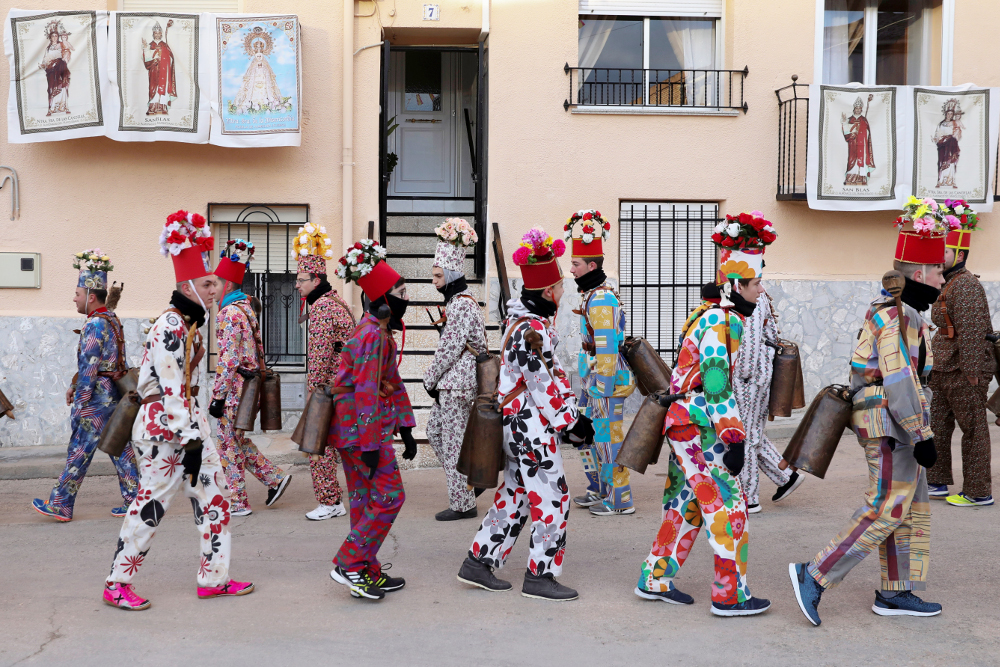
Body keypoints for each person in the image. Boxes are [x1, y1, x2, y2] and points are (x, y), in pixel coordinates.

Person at [789, 206, 947, 626]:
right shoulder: (897, 315)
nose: (942, 279)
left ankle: (895, 593)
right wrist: (921, 432)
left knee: (906, 508)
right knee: (886, 507)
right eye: (937, 271)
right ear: (918, 273)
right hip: (891, 424)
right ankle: (816, 573)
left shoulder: (904, 312)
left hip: (891, 422)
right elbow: (898, 377)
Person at [104, 210, 253, 611]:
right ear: (186, 286)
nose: (215, 289)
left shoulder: (190, 322)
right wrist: (189, 439)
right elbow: (172, 391)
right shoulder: (170, 325)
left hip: (189, 430)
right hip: (163, 433)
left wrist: (198, 436)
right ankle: (117, 582)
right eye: (207, 283)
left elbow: (186, 390)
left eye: (216, 282)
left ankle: (215, 579)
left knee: (216, 499)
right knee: (150, 504)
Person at [634, 211, 774, 617]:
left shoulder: (711, 314)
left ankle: (655, 578)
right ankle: (729, 595)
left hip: (685, 423)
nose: (760, 290)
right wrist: (733, 437)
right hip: (700, 425)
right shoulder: (722, 322)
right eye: (756, 283)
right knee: (730, 508)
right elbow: (715, 384)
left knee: (687, 505)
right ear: (737, 285)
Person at [457, 228, 593, 602]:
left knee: (516, 495)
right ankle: (541, 576)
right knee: (554, 499)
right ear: (547, 291)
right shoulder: (530, 329)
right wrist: (572, 421)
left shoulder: (526, 325)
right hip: (530, 427)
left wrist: (568, 415)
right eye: (560, 287)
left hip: (521, 425)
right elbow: (543, 383)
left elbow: (549, 377)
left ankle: (478, 562)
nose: (564, 294)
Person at [327, 239, 417, 601]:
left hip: (357, 431)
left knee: (365, 501)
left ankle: (366, 571)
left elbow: (391, 383)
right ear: (382, 299)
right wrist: (369, 446)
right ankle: (349, 563)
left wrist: (408, 427)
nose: (407, 298)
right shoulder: (372, 336)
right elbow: (365, 392)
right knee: (391, 496)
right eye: (402, 291)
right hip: (362, 432)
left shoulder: (378, 332)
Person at [32, 250, 138, 522]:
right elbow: (101, 362)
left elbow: (90, 368)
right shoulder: (111, 319)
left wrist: (80, 403)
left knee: (79, 451)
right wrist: (75, 382)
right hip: (111, 394)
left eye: (77, 294)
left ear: (91, 297)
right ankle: (137, 500)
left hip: (95, 400)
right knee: (119, 447)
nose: (74, 299)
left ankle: (60, 504)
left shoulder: (93, 324)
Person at [208, 239, 292, 518]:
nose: (212, 290)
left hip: (233, 391)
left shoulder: (229, 313)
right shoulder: (245, 308)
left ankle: (238, 501)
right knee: (237, 441)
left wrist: (217, 397)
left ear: (228, 286)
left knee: (227, 444)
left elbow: (228, 360)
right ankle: (275, 478)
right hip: (247, 388)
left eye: (215, 285)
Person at [566, 210, 637, 516]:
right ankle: (599, 487)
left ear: (591, 265)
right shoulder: (593, 295)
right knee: (583, 436)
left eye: (576, 264)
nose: (571, 268)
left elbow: (607, 350)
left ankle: (620, 499)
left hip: (605, 383)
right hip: (592, 381)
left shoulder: (601, 299)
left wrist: (600, 388)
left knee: (609, 441)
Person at [927, 203, 994, 506]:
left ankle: (978, 492)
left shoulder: (966, 285)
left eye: (944, 251)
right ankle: (937, 481)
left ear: (961, 254)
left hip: (964, 370)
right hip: (943, 369)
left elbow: (971, 335)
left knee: (974, 431)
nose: (938, 257)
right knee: (938, 426)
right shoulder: (948, 282)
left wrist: (973, 374)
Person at [423, 218, 484, 521]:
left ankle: (463, 503)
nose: (433, 281)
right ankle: (467, 486)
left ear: (450, 273)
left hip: (457, 386)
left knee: (453, 443)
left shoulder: (461, 304)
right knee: (434, 432)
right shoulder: (457, 303)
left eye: (437, 275)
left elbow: (450, 348)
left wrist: (429, 378)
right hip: (451, 384)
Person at [293, 223, 355, 521]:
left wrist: (314, 390)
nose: (297, 285)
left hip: (328, 389)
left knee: (318, 445)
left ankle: (330, 501)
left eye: (301, 280)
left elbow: (319, 353)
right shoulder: (335, 300)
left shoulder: (321, 308)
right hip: (344, 386)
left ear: (316, 279)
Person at [733, 287, 804, 514]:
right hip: (754, 374)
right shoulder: (749, 291)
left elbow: (750, 341)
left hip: (750, 376)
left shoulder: (751, 293)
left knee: (746, 436)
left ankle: (749, 497)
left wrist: (742, 374)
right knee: (751, 433)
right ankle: (786, 476)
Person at [142, 20, 176, 116]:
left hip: (164, 70)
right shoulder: (150, 45)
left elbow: (171, 57)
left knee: (163, 87)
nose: (157, 35)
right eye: (155, 33)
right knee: (153, 87)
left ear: (161, 34)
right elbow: (146, 58)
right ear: (153, 34)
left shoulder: (164, 45)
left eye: (159, 33)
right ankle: (152, 106)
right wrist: (153, 57)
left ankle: (162, 106)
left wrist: (165, 58)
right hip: (154, 69)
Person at [40, 20, 71, 116]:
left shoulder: (61, 45)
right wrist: (44, 64)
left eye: (56, 36)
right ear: (50, 37)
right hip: (51, 69)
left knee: (63, 85)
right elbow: (45, 58)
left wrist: (63, 60)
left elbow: (67, 53)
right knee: (51, 87)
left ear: (58, 37)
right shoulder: (48, 48)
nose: (54, 37)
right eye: (53, 36)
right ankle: (51, 108)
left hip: (61, 66)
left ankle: (63, 106)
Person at [842, 95, 874, 186]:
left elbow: (868, 132)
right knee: (852, 160)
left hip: (862, 144)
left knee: (862, 160)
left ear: (861, 110)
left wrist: (863, 130)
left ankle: (861, 178)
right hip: (853, 144)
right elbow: (845, 131)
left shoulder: (864, 120)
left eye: (860, 109)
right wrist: (851, 133)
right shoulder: (850, 120)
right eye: (857, 108)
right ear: (854, 109)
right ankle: (851, 178)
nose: (858, 110)